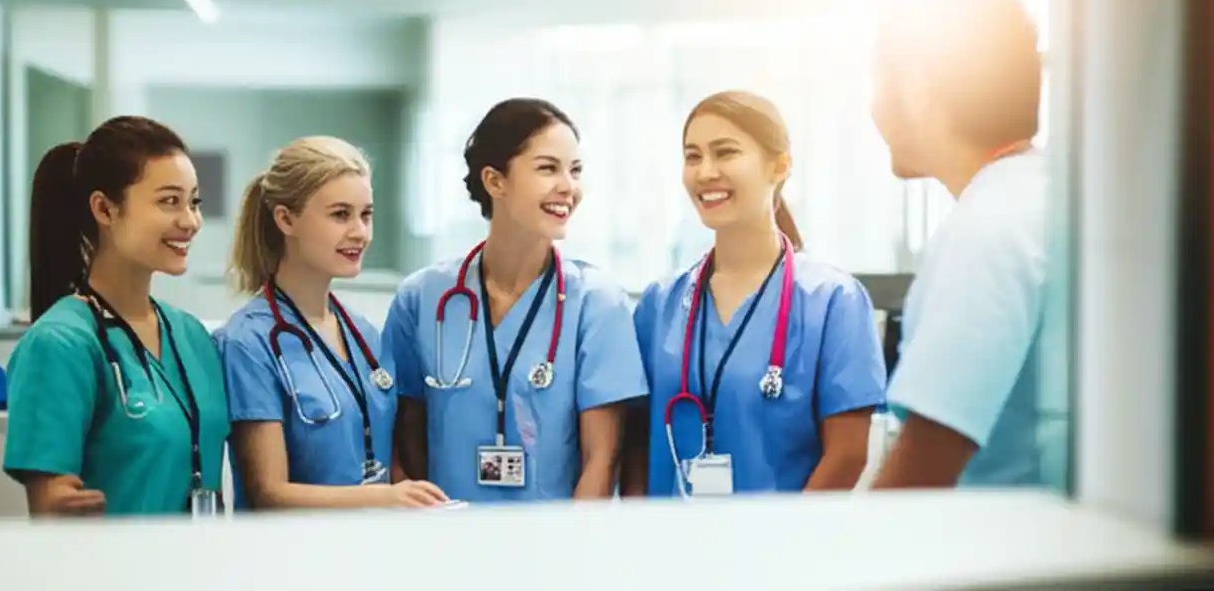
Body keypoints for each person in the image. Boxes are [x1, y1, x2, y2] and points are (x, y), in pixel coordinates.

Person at [621, 91, 887, 498]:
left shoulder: (833, 301)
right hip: (672, 550)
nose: (706, 172)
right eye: (693, 156)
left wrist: (785, 550)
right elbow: (635, 445)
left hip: (783, 550)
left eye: (725, 153)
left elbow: (848, 454)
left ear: (779, 166)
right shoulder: (661, 304)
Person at [384, 98, 649, 502]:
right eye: (548, 168)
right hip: (447, 540)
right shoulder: (422, 298)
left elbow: (602, 461)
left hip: (554, 546)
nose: (568, 186)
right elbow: (405, 441)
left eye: (574, 170)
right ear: (495, 181)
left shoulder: (595, 302)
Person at [869, 0, 1047, 488]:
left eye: (879, 81)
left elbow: (924, 463)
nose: (874, 107)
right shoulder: (1043, 197)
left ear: (918, 90)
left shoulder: (987, 229)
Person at [3, 116, 229, 516]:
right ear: (105, 209)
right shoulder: (61, 343)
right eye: (169, 201)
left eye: (194, 202)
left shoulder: (191, 335)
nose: (190, 221)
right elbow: (50, 508)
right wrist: (57, 498)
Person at [215, 137, 448, 509]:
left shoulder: (365, 335)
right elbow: (268, 493)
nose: (360, 232)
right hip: (293, 557)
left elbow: (389, 461)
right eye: (341, 214)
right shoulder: (248, 343)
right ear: (286, 219)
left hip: (370, 549)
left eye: (366, 214)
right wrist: (382, 497)